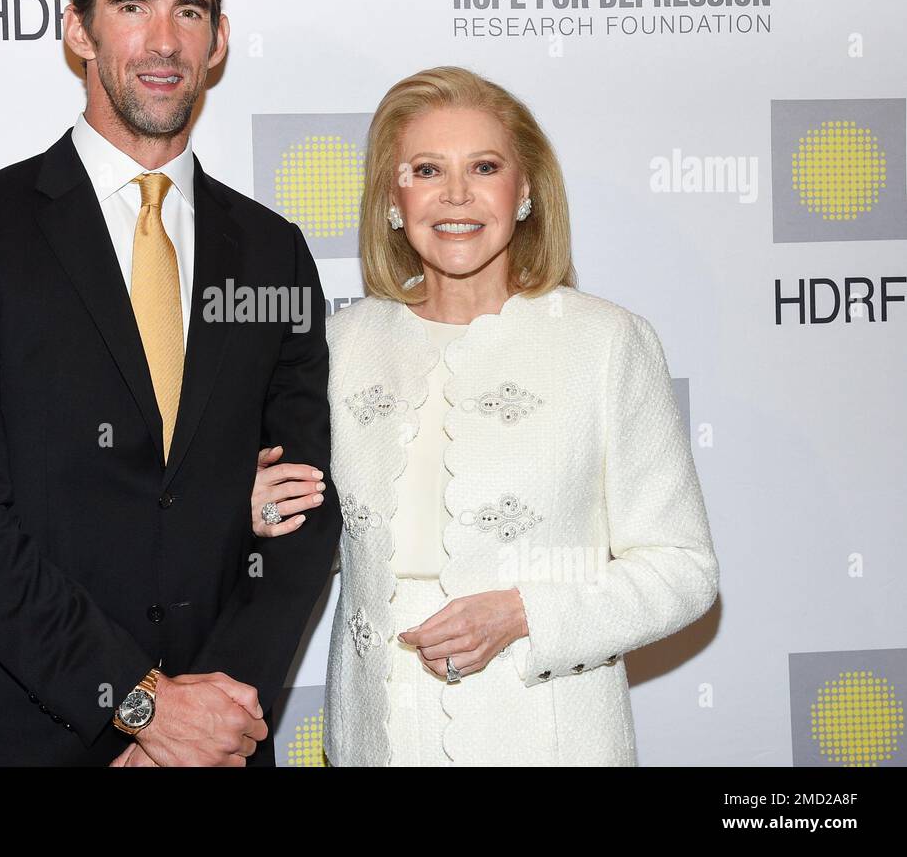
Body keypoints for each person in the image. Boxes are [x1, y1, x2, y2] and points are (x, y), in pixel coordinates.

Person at [0, 0, 342, 767]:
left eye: (191, 11)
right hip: (28, 733)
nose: (164, 41)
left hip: (221, 739)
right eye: (133, 6)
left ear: (218, 41)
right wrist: (137, 703)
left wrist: (211, 717)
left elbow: (303, 507)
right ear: (79, 30)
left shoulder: (273, 251)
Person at [252, 65, 720, 765]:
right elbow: (316, 538)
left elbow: (684, 569)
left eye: (485, 166)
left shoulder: (604, 342)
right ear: (391, 196)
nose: (457, 195)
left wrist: (524, 612)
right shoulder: (341, 344)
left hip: (550, 738)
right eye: (427, 169)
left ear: (525, 190)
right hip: (374, 739)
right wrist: (259, 512)